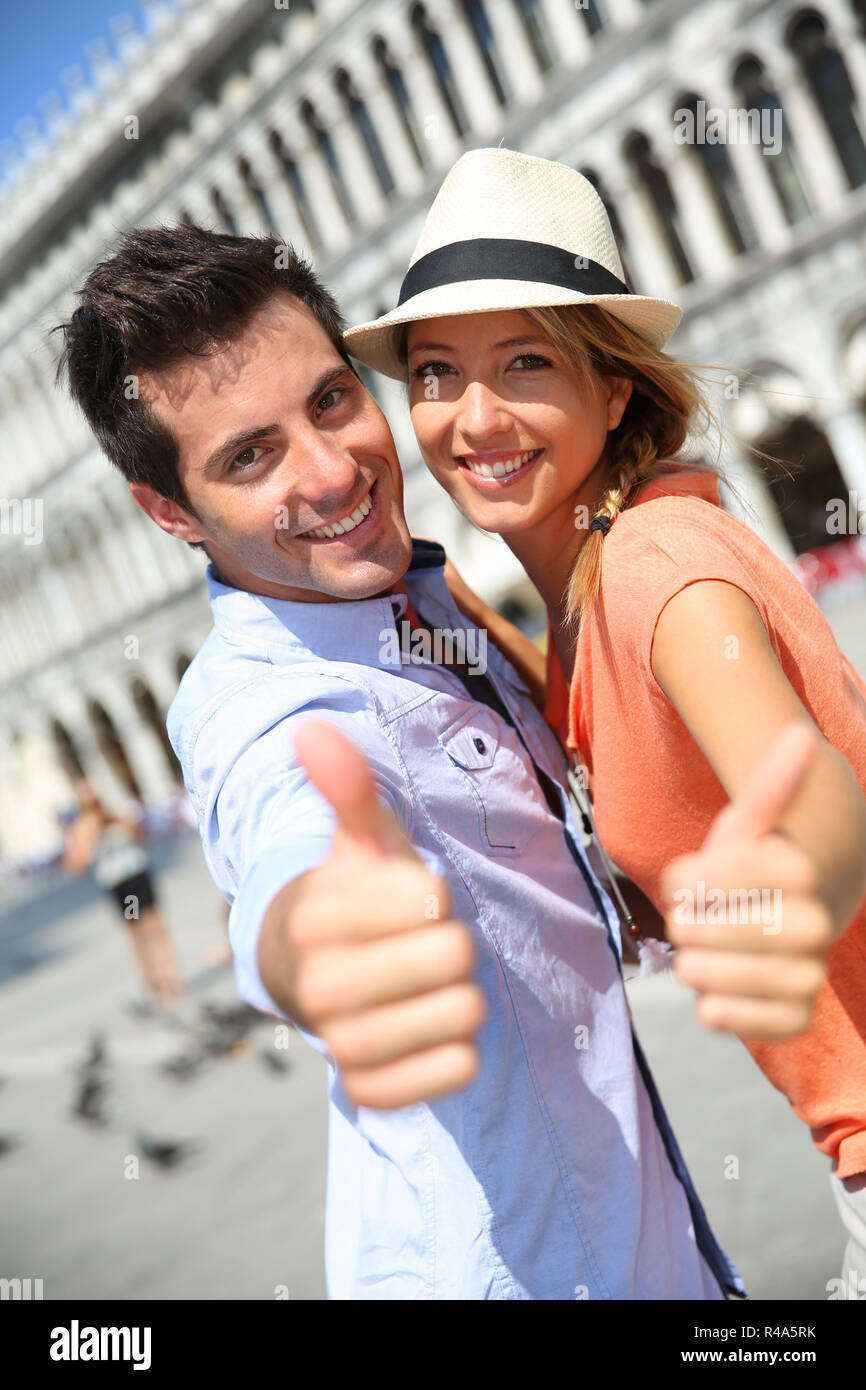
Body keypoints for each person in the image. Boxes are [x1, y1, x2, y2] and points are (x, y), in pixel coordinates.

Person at [51, 224, 756, 1301]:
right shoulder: (272, 714)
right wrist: (315, 948)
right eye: (250, 456)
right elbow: (290, 847)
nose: (334, 471)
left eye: (331, 400)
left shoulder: (407, 587)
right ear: (168, 513)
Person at [343, 146, 866, 1292]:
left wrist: (798, 886)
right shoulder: (598, 578)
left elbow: (809, 782)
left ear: (611, 383)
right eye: (434, 373)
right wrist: (405, 570)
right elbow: (574, 713)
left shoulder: (653, 567)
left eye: (522, 362)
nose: (472, 417)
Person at [62, 778, 184, 1006]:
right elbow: (74, 866)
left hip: (138, 873)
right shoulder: (84, 826)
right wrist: (90, 835)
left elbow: (145, 836)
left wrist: (119, 822)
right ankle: (156, 984)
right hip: (121, 884)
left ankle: (173, 979)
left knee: (157, 927)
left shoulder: (116, 813)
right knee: (139, 932)